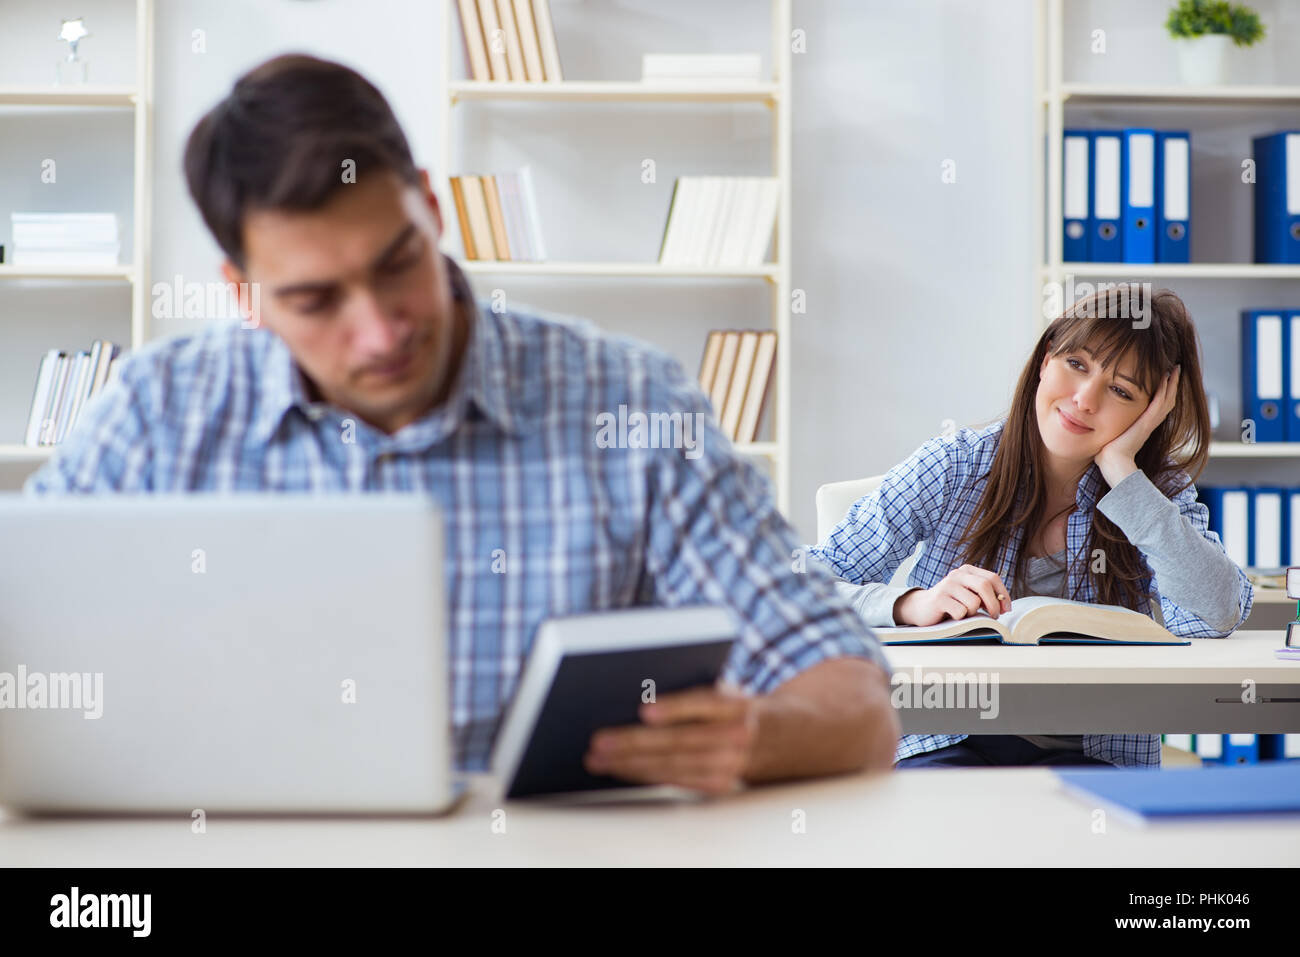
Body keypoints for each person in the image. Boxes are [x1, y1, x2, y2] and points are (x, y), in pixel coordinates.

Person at [24, 54, 900, 793]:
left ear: (431, 209)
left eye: (397, 262)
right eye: (314, 299)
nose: (380, 331)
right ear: (243, 293)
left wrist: (762, 736)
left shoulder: (630, 405)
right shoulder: (155, 415)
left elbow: (856, 702)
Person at [809, 284, 1252, 768]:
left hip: (1090, 758)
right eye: (1077, 364)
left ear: (1150, 413)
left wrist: (1123, 473)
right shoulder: (956, 464)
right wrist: (913, 604)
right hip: (948, 741)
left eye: (1122, 391)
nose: (1084, 400)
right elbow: (799, 587)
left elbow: (1213, 615)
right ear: (1045, 359)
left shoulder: (1154, 492)